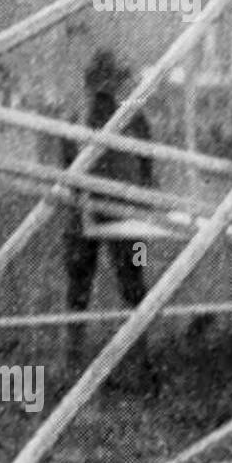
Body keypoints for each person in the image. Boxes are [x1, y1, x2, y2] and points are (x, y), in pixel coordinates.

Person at [60, 49, 159, 383]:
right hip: (91, 210)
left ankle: (139, 354)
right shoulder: (78, 116)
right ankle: (76, 355)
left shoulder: (132, 117)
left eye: (110, 82)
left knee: (131, 280)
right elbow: (67, 163)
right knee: (80, 282)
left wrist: (142, 199)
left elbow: (147, 163)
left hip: (121, 213)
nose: (104, 90)